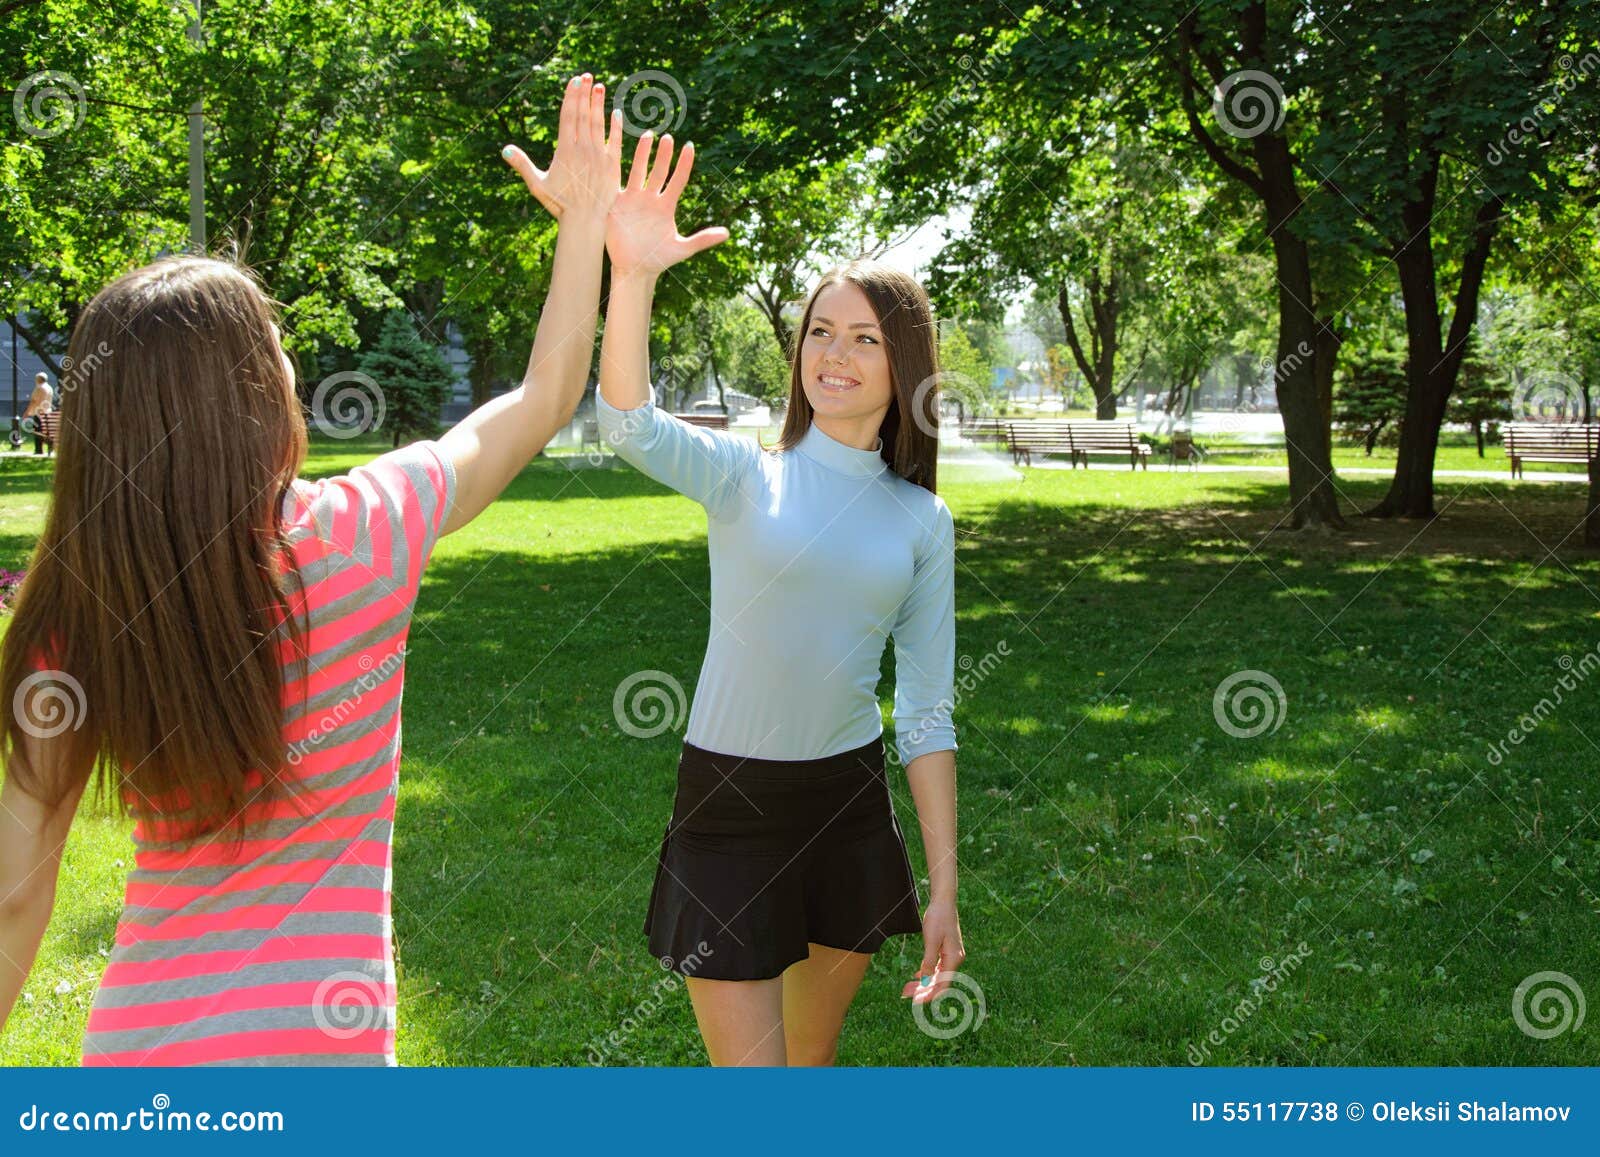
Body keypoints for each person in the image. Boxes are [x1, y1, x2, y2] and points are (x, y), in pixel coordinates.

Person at [0, 74, 625, 1065]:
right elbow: (545, 394)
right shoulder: (369, 530)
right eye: (277, 345)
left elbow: (14, 891)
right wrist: (584, 222)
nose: (292, 362)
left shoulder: (79, 613)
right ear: (251, 392)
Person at [596, 134, 965, 1066]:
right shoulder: (741, 475)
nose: (834, 355)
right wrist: (633, 274)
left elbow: (924, 713)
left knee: (807, 1074)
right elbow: (628, 422)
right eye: (820, 332)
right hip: (728, 805)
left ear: (903, 362)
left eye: (866, 337)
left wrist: (945, 886)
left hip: (844, 804)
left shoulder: (922, 520)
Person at [22, 372, 54, 455]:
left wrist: (26, 412)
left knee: (38, 430)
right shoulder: (49, 388)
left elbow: (33, 401)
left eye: (36, 379)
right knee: (45, 431)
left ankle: (38, 450)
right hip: (47, 413)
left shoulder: (39, 388)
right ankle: (48, 447)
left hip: (39, 413)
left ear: (39, 379)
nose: (35, 380)